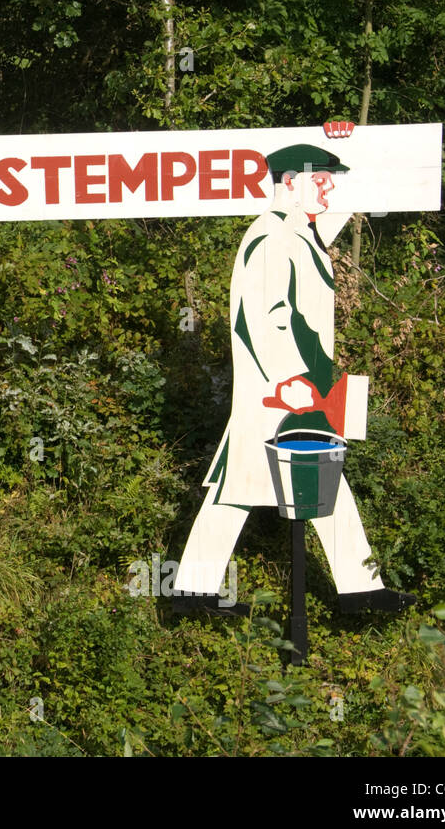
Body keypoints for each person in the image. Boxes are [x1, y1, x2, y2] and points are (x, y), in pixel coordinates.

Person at [172, 122, 415, 616]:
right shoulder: (271, 234)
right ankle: (358, 591)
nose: (330, 187)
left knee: (249, 484)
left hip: (299, 383)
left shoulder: (299, 231)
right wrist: (290, 381)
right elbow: (266, 316)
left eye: (329, 179)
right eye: (320, 179)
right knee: (280, 479)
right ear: (289, 183)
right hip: (283, 389)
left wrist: (348, 143)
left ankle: (194, 592)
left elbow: (348, 203)